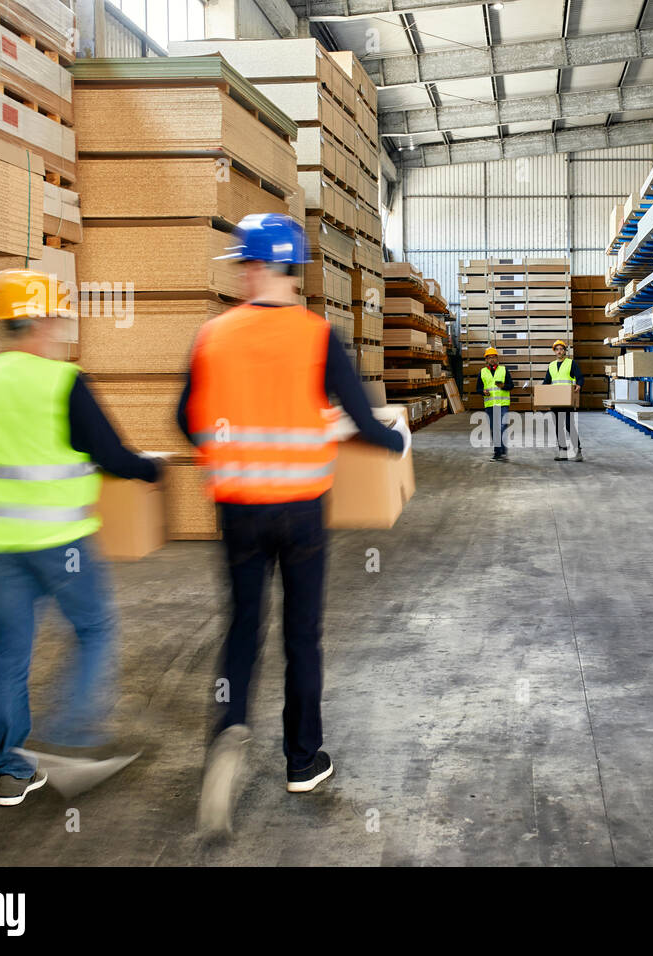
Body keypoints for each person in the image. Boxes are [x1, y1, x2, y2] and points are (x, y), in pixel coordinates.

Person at [177, 213, 410, 836]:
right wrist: (394, 447)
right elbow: (361, 420)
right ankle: (302, 760)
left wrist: (223, 451)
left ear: (252, 267)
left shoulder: (212, 337)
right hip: (302, 510)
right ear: (293, 269)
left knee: (242, 631)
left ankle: (228, 734)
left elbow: (186, 420)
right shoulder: (316, 336)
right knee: (301, 636)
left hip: (238, 509)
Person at [0, 269, 161, 807]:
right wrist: (152, 471)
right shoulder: (63, 382)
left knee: (9, 654)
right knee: (95, 630)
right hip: (61, 543)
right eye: (58, 318)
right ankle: (69, 738)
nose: (62, 329)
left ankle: (12, 770)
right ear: (39, 319)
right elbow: (112, 455)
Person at [543, 339, 583, 462]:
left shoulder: (571, 363)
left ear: (565, 351)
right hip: (555, 401)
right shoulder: (551, 365)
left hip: (567, 400)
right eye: (557, 349)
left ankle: (578, 451)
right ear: (554, 351)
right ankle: (562, 452)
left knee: (570, 426)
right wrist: (539, 390)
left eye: (561, 349)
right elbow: (547, 382)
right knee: (558, 427)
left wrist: (579, 384)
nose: (559, 351)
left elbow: (580, 377)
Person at [477, 346, 512, 461]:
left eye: (494, 357)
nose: (492, 359)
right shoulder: (482, 372)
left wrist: (504, 386)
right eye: (489, 357)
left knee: (501, 427)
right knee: (494, 428)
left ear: (497, 358)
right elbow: (478, 388)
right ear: (486, 360)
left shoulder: (504, 370)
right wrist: (483, 392)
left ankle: (501, 452)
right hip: (490, 405)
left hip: (502, 404)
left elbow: (511, 386)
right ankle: (499, 453)